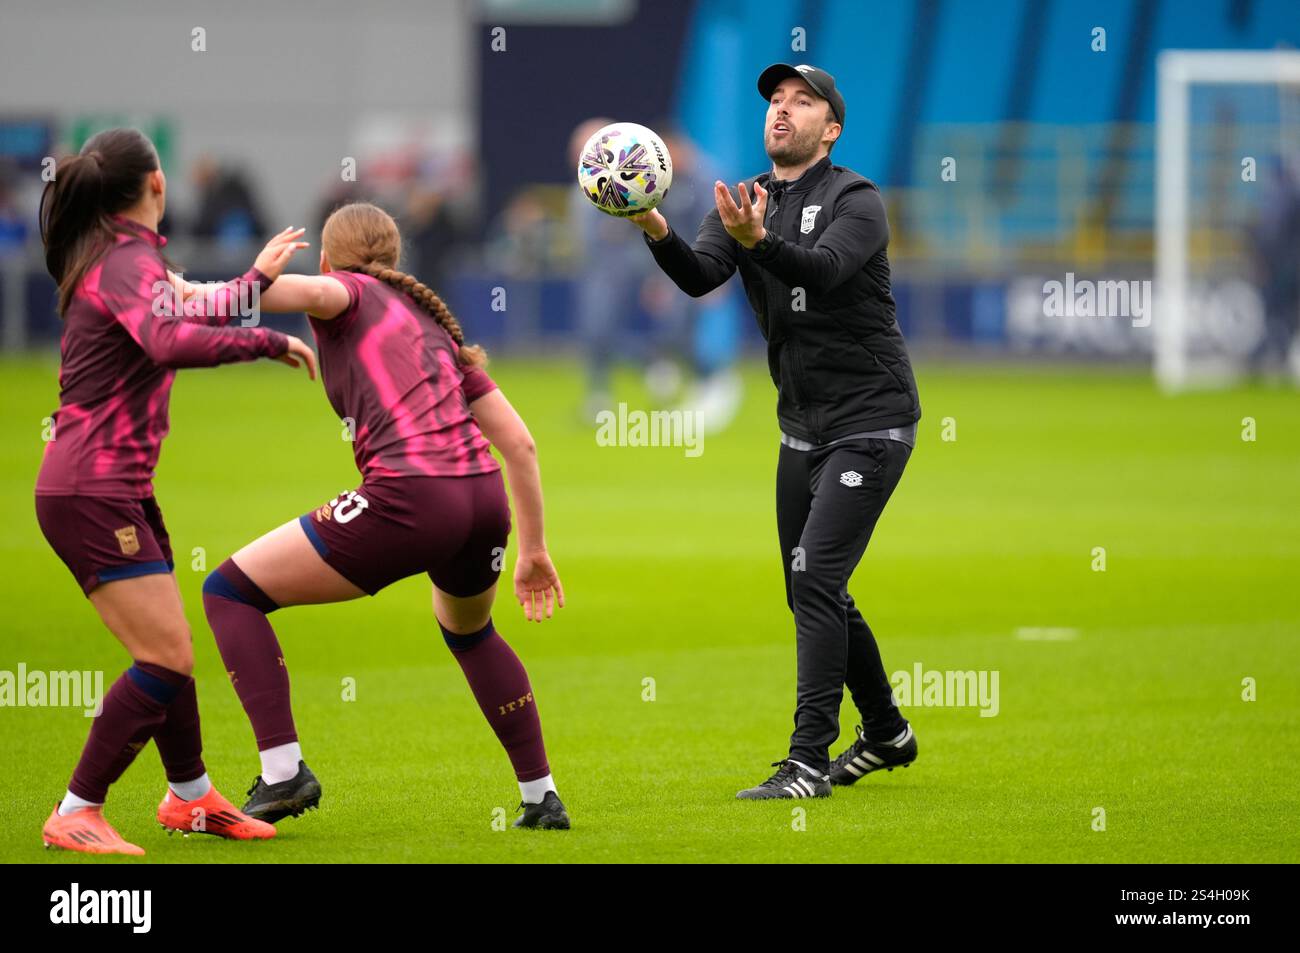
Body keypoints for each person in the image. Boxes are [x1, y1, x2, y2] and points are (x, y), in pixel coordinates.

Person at [199, 202, 571, 830]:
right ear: (395, 260)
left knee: (228, 591)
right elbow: (521, 445)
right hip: (483, 501)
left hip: (412, 496)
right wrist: (532, 550)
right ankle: (541, 797)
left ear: (329, 256)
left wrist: (223, 280)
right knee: (471, 634)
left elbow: (289, 292)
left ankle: (284, 773)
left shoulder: (344, 290)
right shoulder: (432, 323)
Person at [626, 64, 922, 799]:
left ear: (832, 128)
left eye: (802, 101)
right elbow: (699, 277)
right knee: (808, 587)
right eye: (775, 102)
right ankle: (886, 731)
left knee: (817, 576)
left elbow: (820, 272)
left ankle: (806, 761)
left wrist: (756, 242)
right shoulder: (744, 200)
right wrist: (654, 224)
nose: (782, 111)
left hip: (872, 420)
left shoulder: (858, 199)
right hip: (802, 426)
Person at [35, 127, 317, 854]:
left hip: (112, 486)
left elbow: (184, 310)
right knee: (164, 657)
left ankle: (191, 796)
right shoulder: (127, 260)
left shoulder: (123, 258)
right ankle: (76, 809)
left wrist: (254, 286)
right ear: (156, 184)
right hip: (91, 489)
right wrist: (263, 341)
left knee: (174, 648)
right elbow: (168, 340)